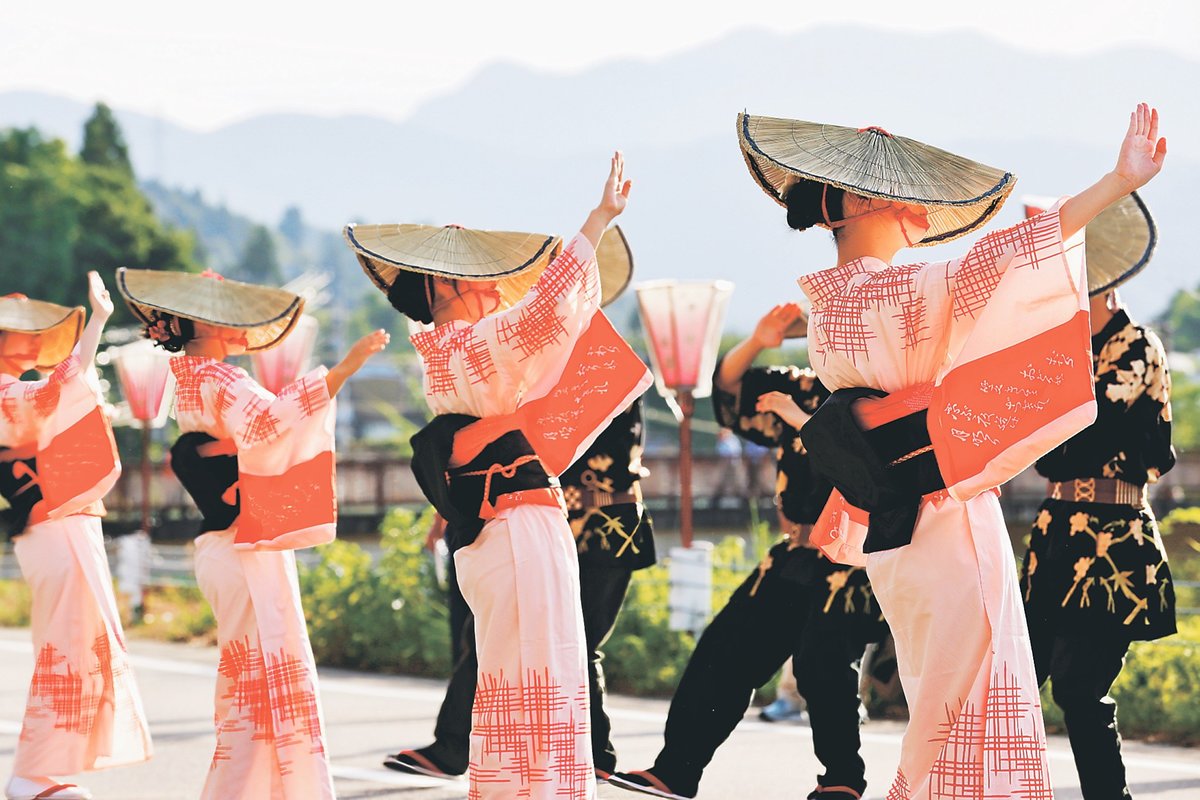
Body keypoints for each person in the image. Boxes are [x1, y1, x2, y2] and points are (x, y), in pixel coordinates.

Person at [737, 104, 1166, 799]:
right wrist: (1115, 182)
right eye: (901, 194)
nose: (916, 208)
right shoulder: (891, 293)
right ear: (861, 202)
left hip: (893, 530)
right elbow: (1001, 262)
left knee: (941, 707)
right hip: (944, 515)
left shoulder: (830, 312)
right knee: (976, 703)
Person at [345, 153, 651, 799]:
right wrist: (596, 221)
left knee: (514, 679)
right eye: (483, 276)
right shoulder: (473, 346)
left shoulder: (443, 355)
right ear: (449, 285)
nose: (495, 285)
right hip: (519, 526)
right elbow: (547, 311)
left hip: (498, 530)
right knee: (543, 671)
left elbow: (538, 321)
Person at [116, 267, 389, 800]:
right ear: (213, 324)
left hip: (223, 545)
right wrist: (343, 369)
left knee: (251, 679)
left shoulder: (190, 380)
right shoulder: (220, 378)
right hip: (245, 548)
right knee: (263, 682)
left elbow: (236, 438)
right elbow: (273, 422)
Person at [610, 303, 887, 800]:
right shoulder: (804, 385)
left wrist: (797, 419)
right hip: (797, 552)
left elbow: (857, 464)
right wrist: (759, 338)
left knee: (821, 665)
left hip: (856, 558)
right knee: (725, 651)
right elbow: (731, 391)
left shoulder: (882, 395)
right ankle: (676, 770)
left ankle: (842, 781)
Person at [1020, 193, 1176, 800]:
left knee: (1078, 687)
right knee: (1016, 680)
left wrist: (1051, 410)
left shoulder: (1136, 345)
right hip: (1056, 537)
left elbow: (1083, 432)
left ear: (1106, 286)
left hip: (1115, 541)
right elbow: (1048, 452)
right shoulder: (1063, 353)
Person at [0, 275, 152, 800]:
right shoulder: (5, 390)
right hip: (54, 524)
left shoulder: (17, 389)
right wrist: (100, 321)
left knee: (78, 644)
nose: (33, 342)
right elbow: (57, 390)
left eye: (35, 333)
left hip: (67, 521)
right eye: (17, 334)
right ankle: (32, 775)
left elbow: (59, 395)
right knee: (67, 646)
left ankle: (43, 770)